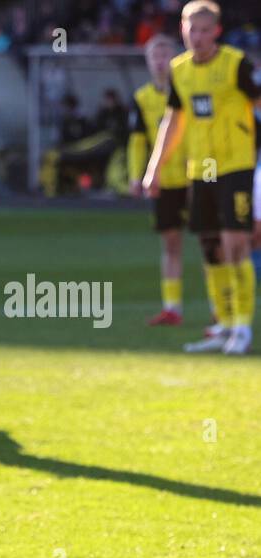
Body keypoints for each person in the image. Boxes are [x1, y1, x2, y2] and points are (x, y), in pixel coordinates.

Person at [142, 0, 260, 355]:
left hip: (236, 164)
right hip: (202, 168)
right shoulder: (179, 70)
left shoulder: (236, 65)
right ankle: (223, 324)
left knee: (236, 244)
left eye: (205, 30)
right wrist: (154, 168)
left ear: (217, 32)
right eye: (192, 30)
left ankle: (242, 326)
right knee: (210, 247)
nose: (198, 37)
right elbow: (174, 121)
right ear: (183, 30)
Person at [128, 33, 223, 328]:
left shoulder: (192, 90)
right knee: (171, 243)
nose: (160, 62)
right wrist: (137, 175)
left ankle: (219, 309)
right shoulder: (142, 98)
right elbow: (137, 141)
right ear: (147, 62)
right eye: (155, 57)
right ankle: (172, 308)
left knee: (210, 242)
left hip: (196, 177)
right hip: (165, 181)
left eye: (165, 56)